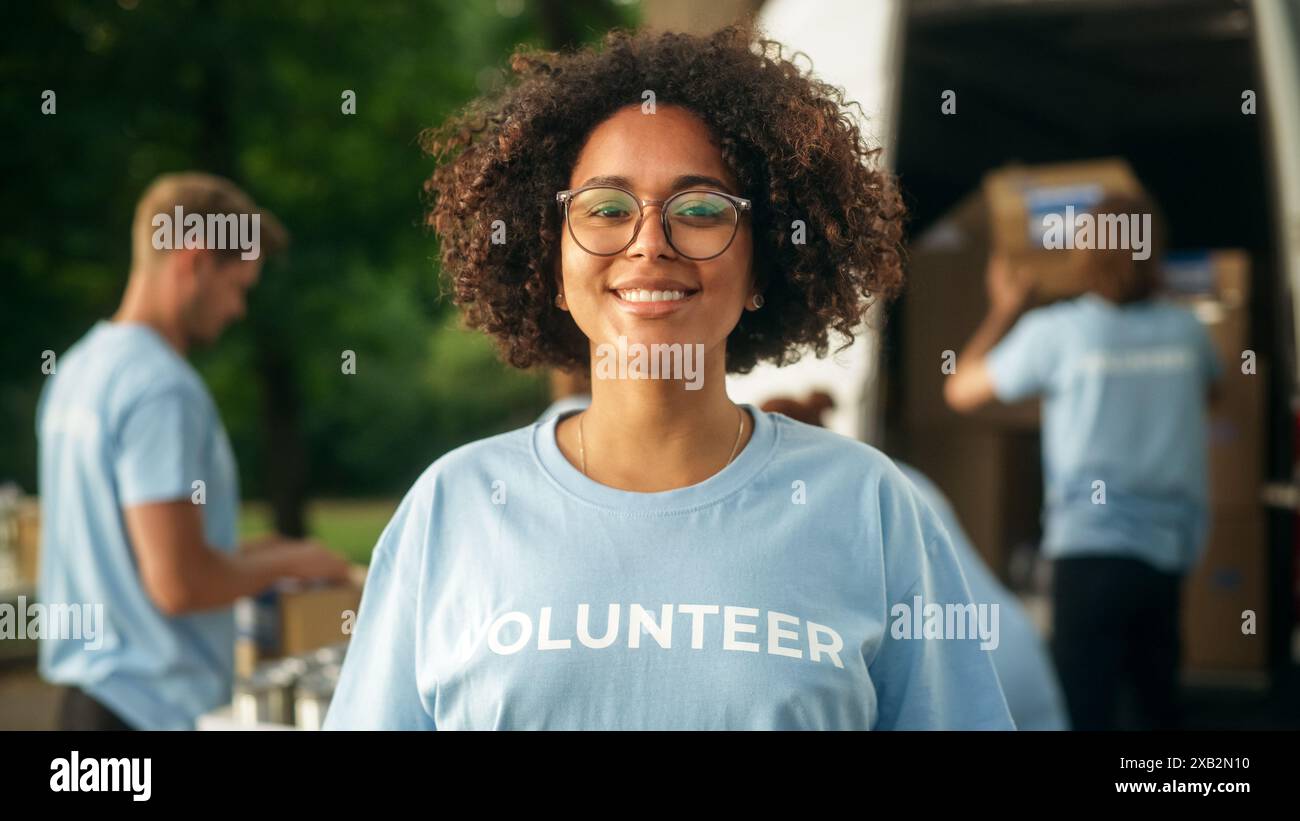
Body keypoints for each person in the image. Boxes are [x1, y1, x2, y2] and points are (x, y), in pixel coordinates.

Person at [324, 26, 1013, 730]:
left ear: (761, 266)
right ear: (551, 263)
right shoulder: (452, 508)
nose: (649, 241)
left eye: (702, 210)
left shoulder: (870, 506)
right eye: (607, 209)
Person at [36, 172, 351, 730]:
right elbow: (179, 583)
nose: (238, 310)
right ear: (194, 262)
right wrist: (297, 561)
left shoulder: (78, 369)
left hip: (88, 702)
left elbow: (135, 553)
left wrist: (263, 551)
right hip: (147, 710)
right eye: (239, 286)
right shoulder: (160, 387)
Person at [943, 192, 1222, 730]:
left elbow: (960, 390)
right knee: (1159, 706)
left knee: (1079, 712)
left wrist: (1005, 306)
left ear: (1085, 253)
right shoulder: (1189, 333)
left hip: (1088, 552)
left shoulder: (1059, 333)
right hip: (1168, 553)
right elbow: (1210, 395)